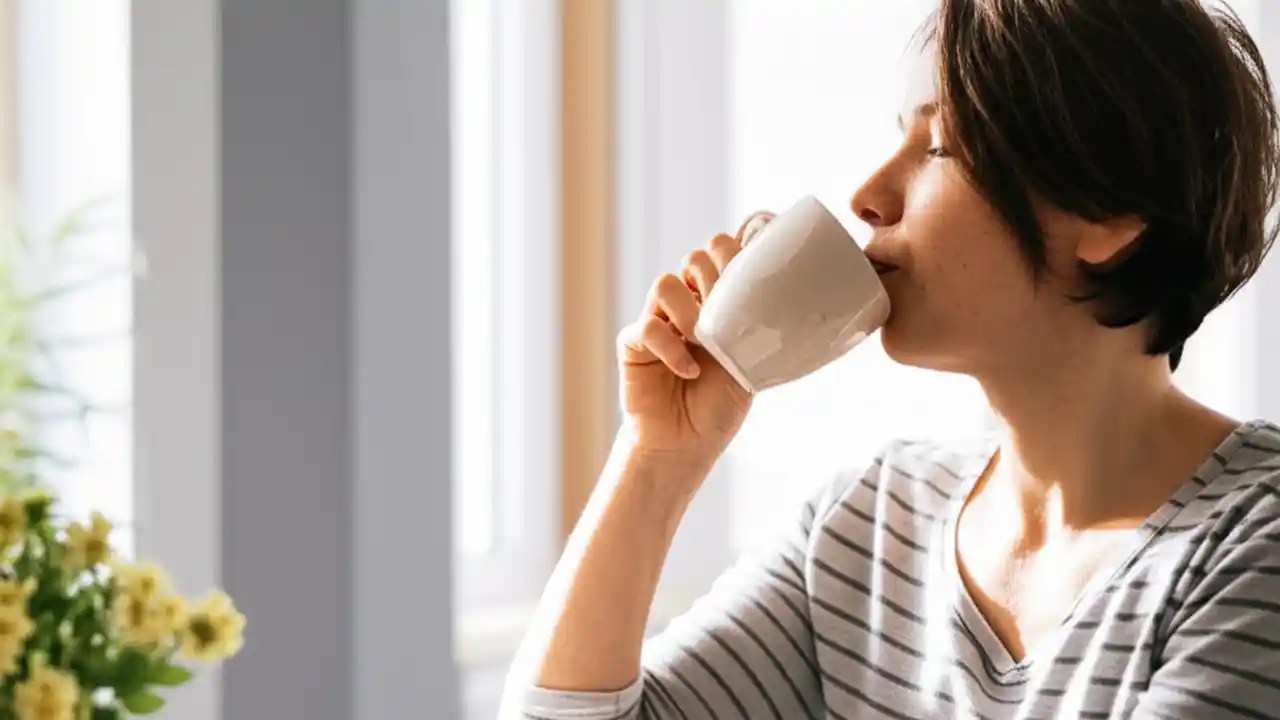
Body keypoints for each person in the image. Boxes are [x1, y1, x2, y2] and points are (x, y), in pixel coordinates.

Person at [501, 0, 1280, 717]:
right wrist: (658, 457)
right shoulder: (868, 526)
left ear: (1106, 212)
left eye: (938, 145)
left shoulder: (1252, 544)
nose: (869, 194)